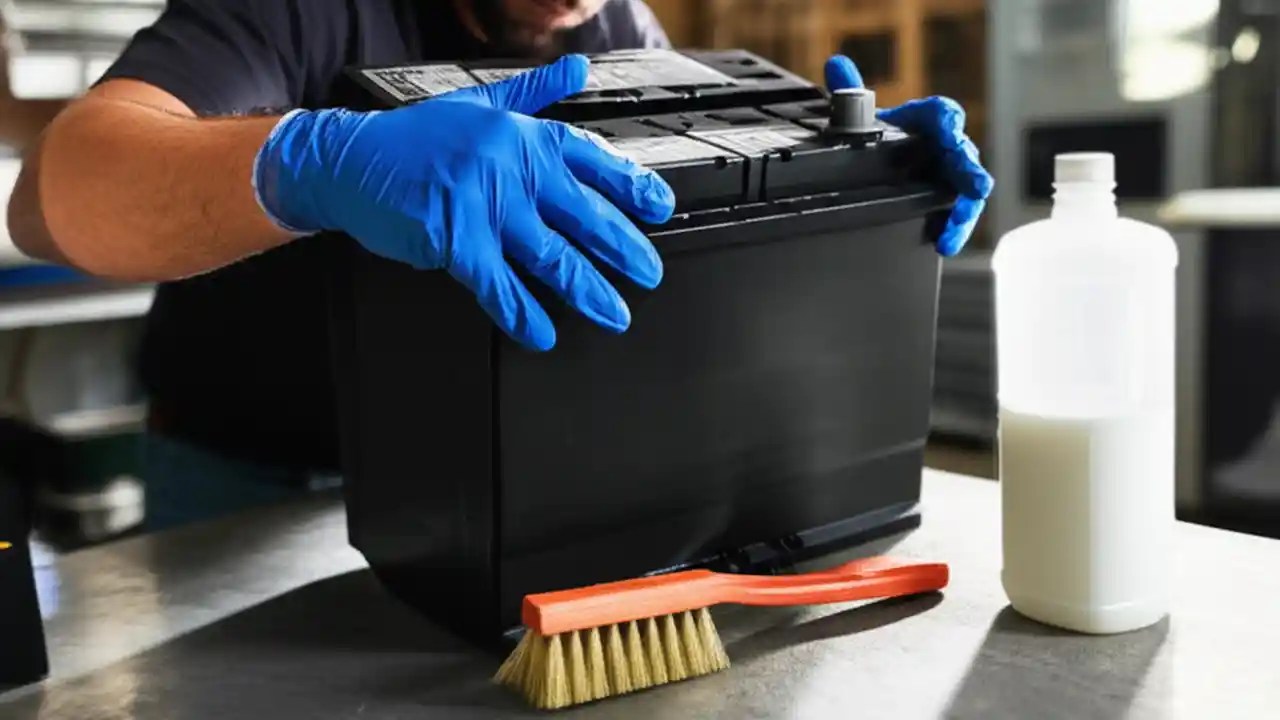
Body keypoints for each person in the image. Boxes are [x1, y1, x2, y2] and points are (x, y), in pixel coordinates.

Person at [6, 0, 992, 529]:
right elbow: (54, 202)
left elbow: (668, 220)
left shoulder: (617, 32)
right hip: (245, 484)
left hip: (477, 488)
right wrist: (312, 161)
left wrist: (847, 171)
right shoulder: (294, 9)